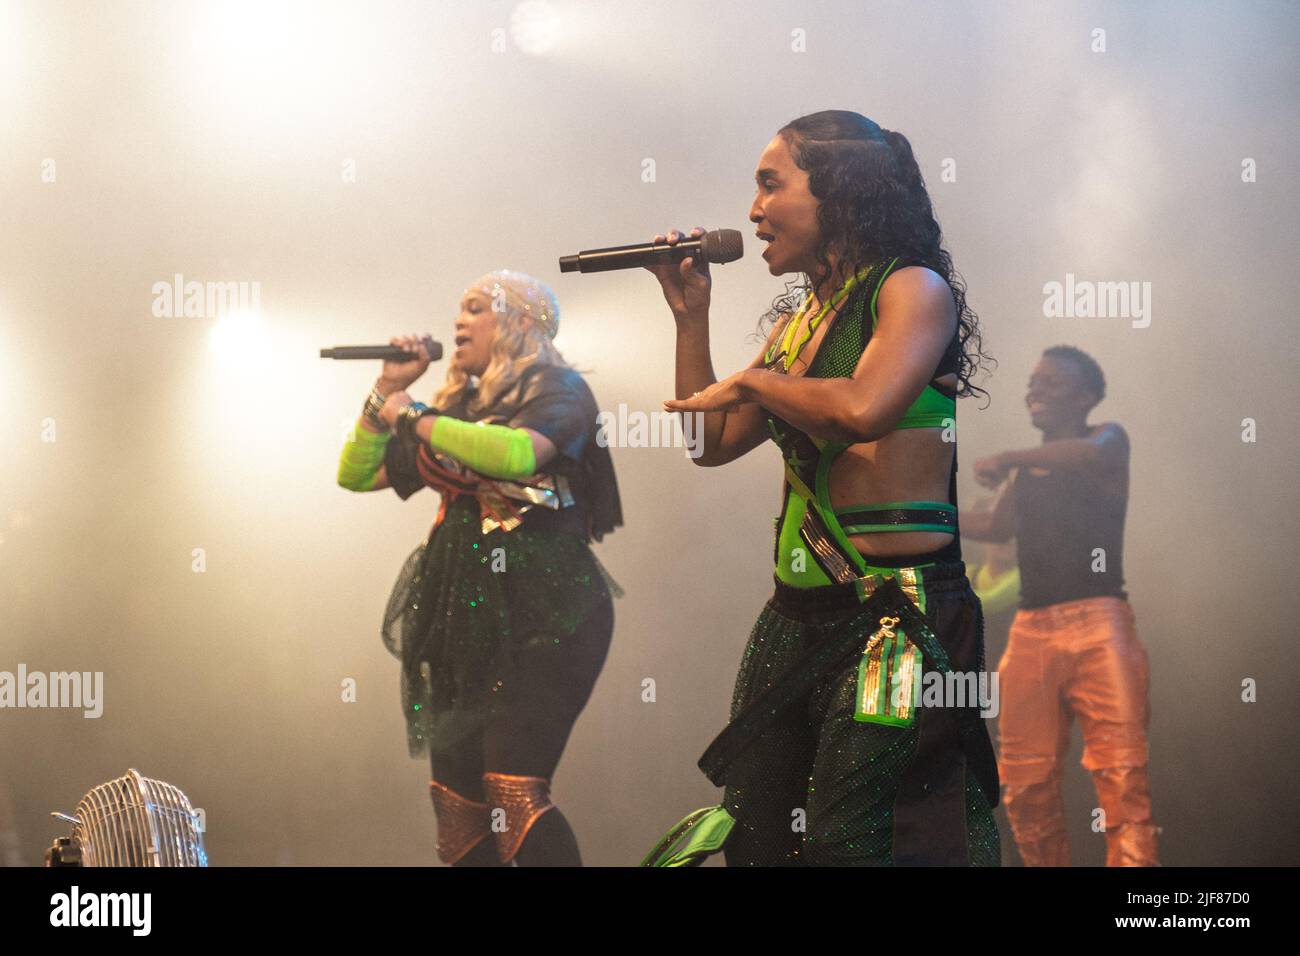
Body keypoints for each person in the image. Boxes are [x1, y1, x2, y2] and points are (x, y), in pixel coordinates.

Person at [640, 110, 998, 866]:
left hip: (894, 619)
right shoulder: (802, 321)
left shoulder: (912, 289)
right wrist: (691, 318)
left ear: (838, 191)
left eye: (771, 185)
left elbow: (865, 407)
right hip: (792, 620)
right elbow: (710, 445)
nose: (752, 211)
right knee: (759, 838)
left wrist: (756, 382)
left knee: (851, 841)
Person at [336, 270, 622, 867]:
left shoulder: (560, 391)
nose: (458, 322)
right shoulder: (456, 409)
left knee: (513, 792)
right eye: (457, 310)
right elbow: (356, 475)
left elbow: (520, 454)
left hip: (550, 615)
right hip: (462, 623)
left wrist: (412, 415)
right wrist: (384, 390)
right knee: (459, 810)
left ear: (519, 321)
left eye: (474, 308)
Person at [964, 345, 1158, 866]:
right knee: (1024, 786)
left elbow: (1091, 457)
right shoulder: (1028, 473)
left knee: (1121, 780)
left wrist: (1009, 457)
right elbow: (995, 527)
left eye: (1051, 381)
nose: (1036, 390)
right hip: (1032, 631)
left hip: (1101, 625)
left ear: (1087, 396)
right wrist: (919, 510)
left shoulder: (1107, 439)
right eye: (1033, 381)